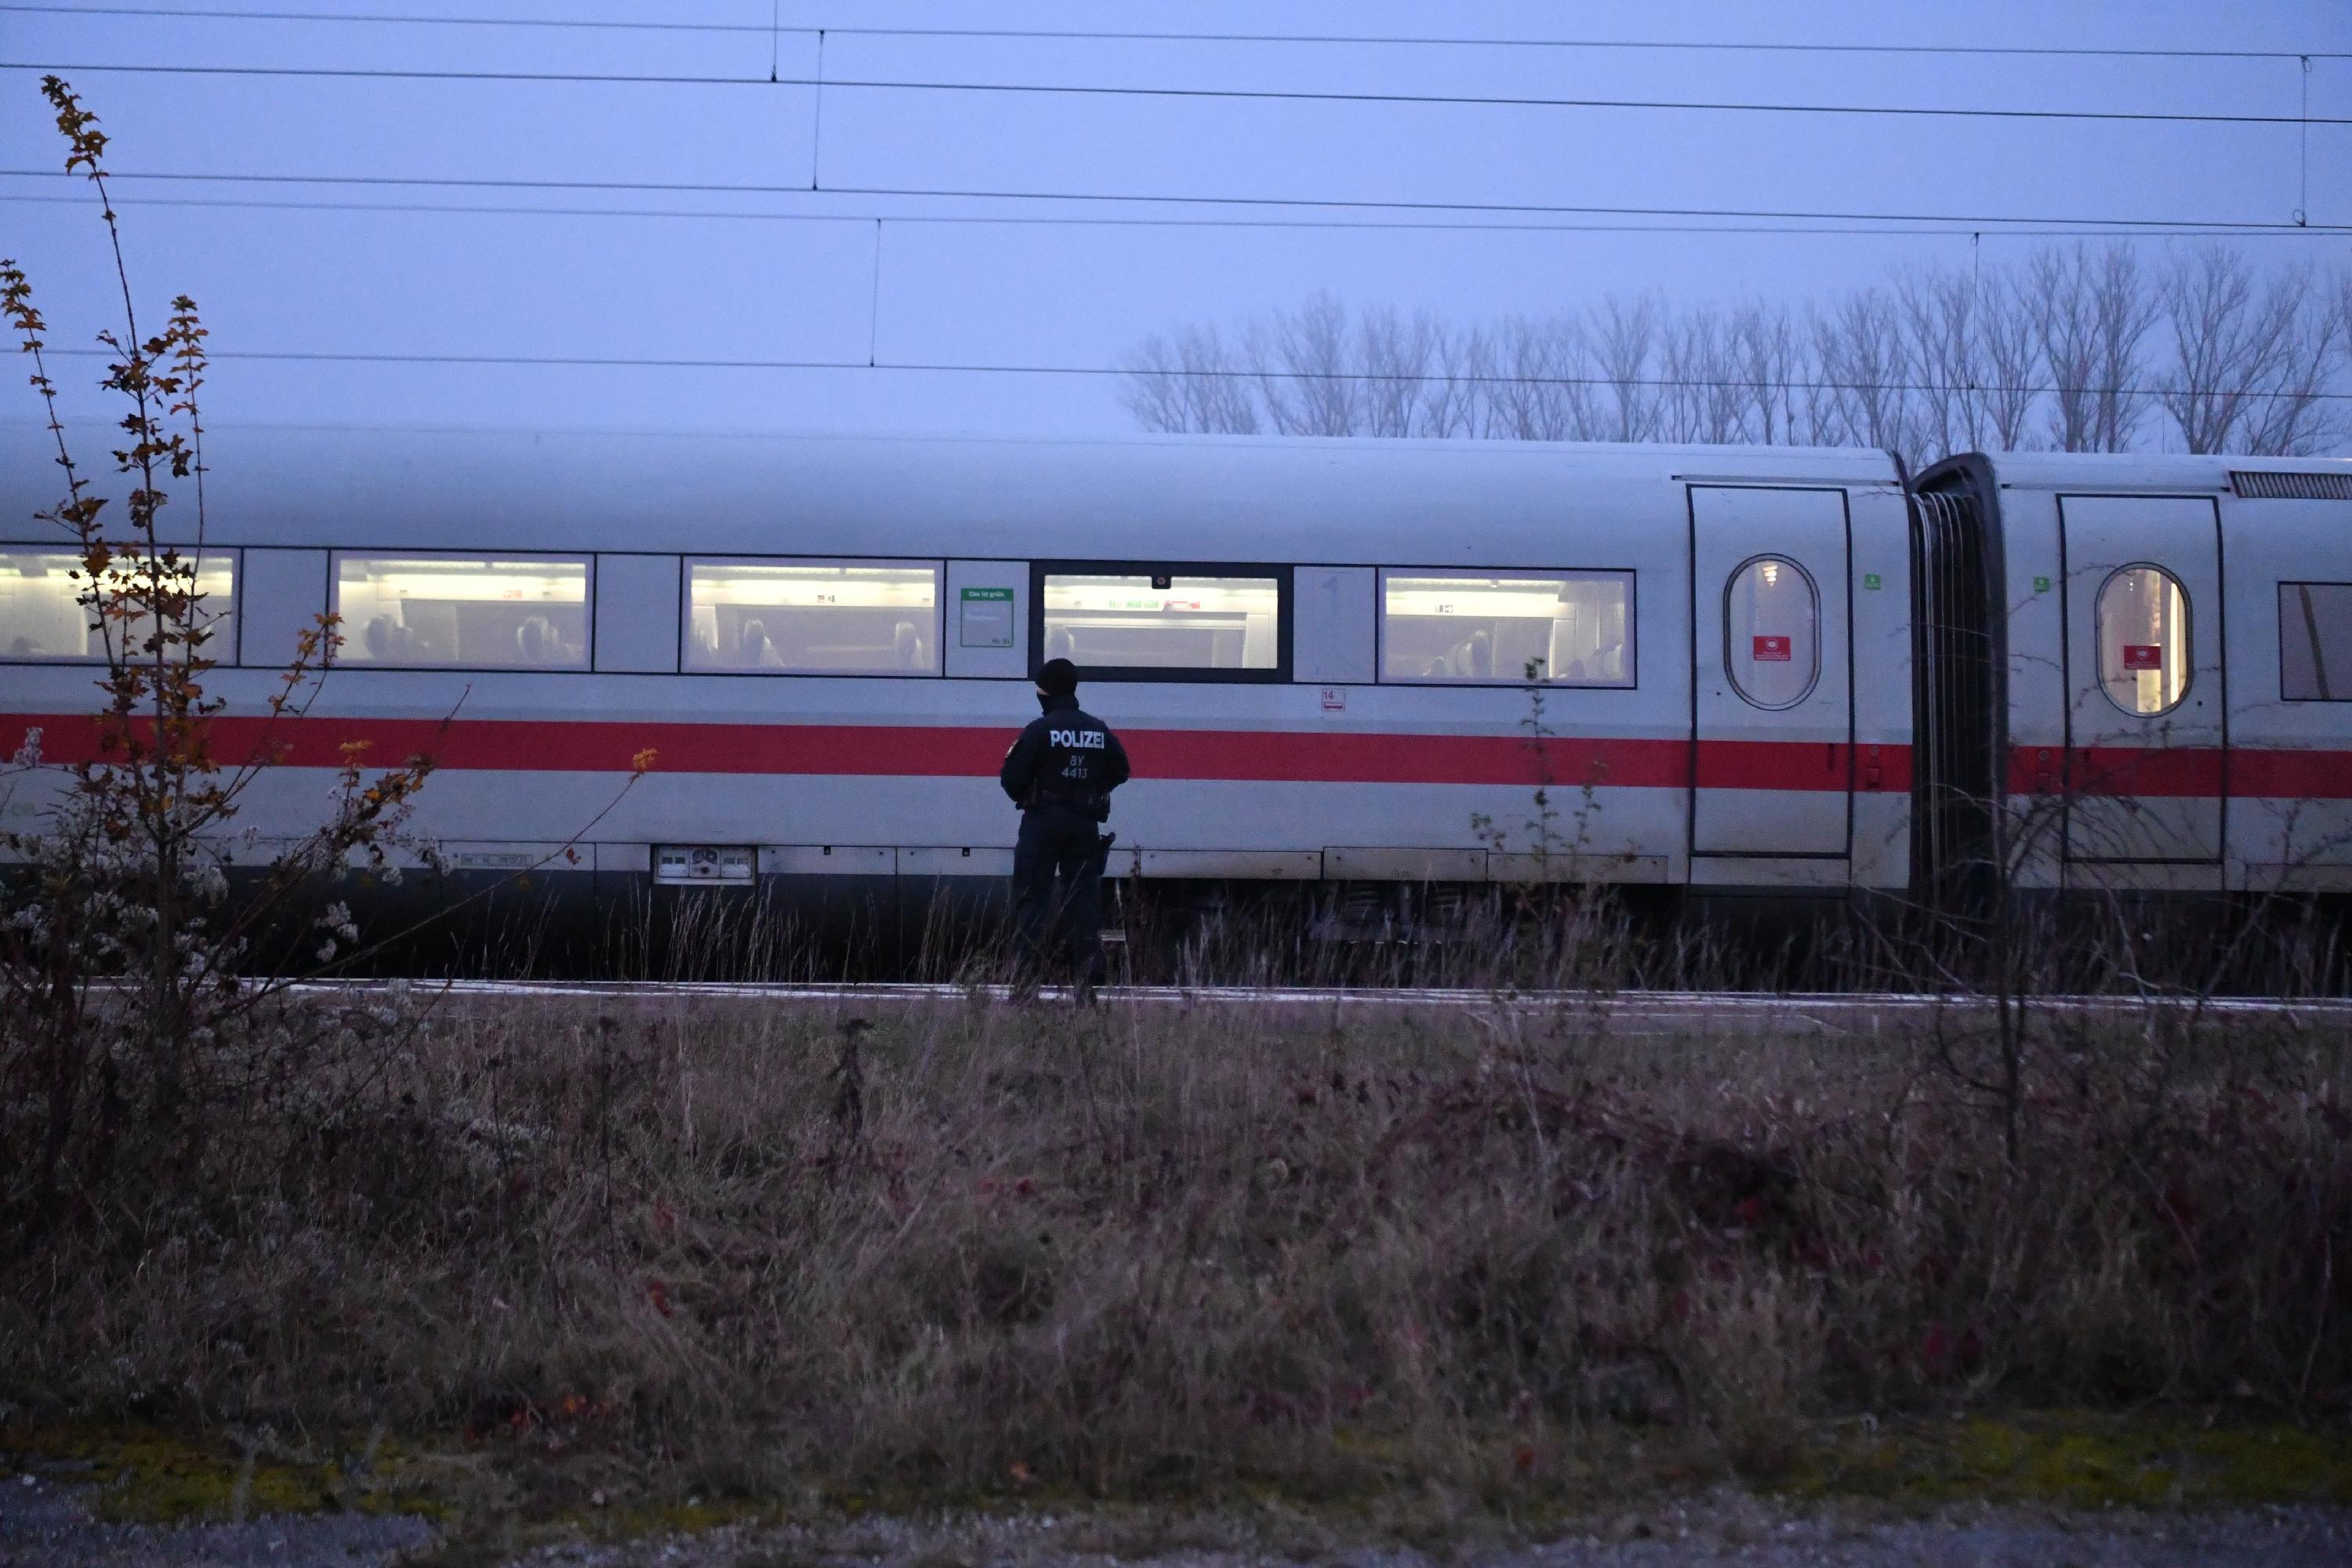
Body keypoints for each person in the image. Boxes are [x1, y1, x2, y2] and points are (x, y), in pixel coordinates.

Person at [999, 656, 1129, 1004]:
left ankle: (1025, 991)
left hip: (1042, 823)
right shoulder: (1097, 729)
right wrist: (1092, 789)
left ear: (1046, 692)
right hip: (1084, 824)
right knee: (1084, 908)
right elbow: (1122, 769)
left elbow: (1011, 779)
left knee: (1032, 906)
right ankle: (1086, 992)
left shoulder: (1039, 730)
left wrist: (1034, 795)